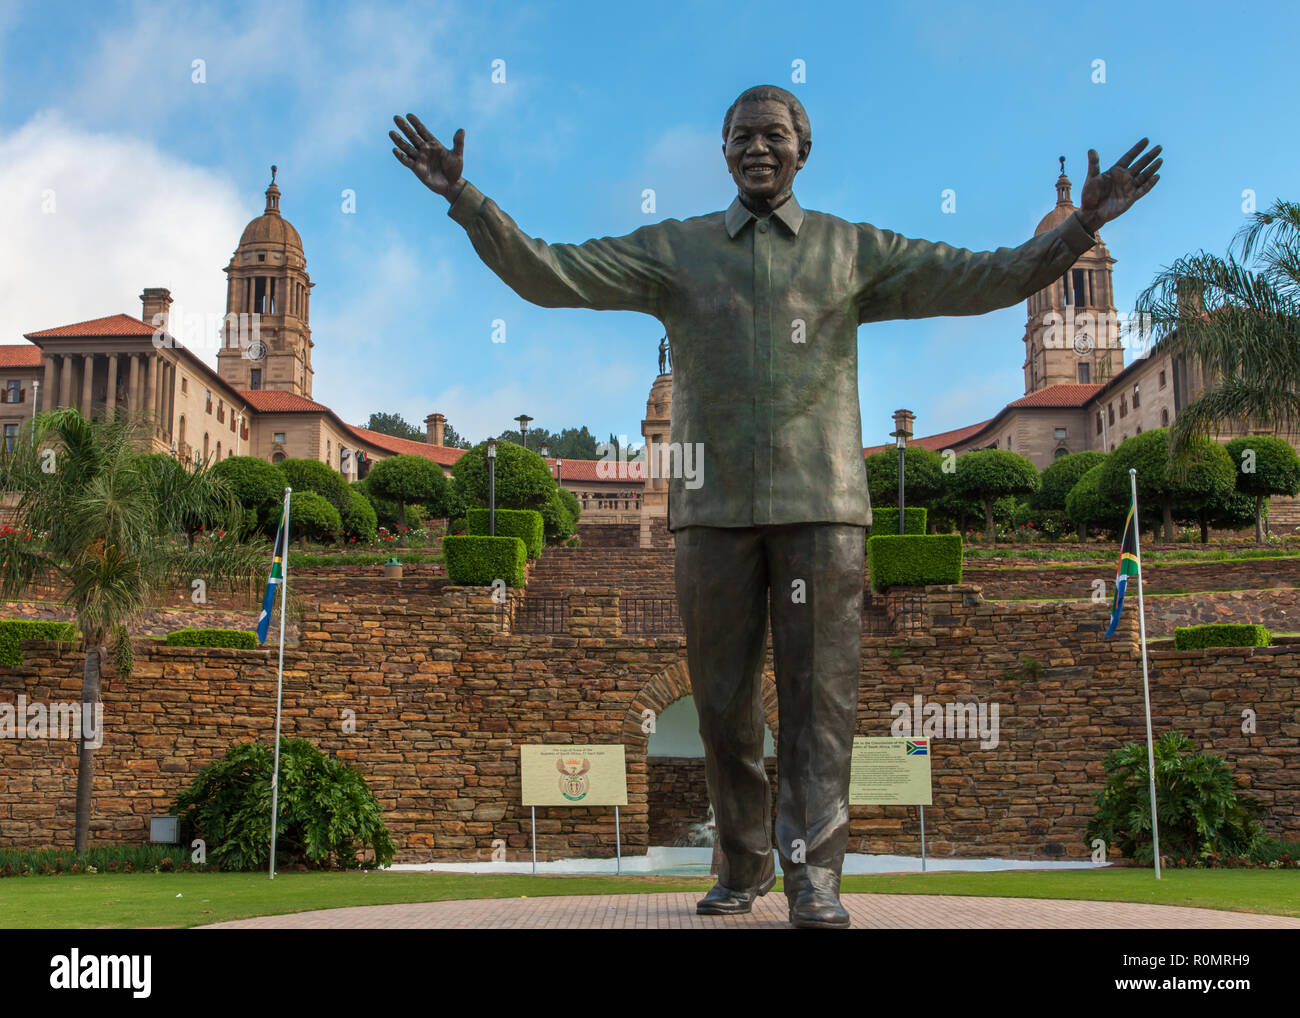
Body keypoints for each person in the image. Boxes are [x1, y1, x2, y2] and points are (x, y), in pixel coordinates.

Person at [390, 85, 1161, 928]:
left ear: (804, 149)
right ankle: (744, 860)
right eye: (741, 136)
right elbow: (550, 272)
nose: (758, 148)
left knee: (821, 706)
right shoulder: (677, 250)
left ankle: (813, 877)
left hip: (823, 505)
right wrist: (466, 200)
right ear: (723, 151)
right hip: (711, 509)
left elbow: (980, 278)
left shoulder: (852, 249)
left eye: (774, 135)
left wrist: (1082, 230)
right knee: (722, 708)